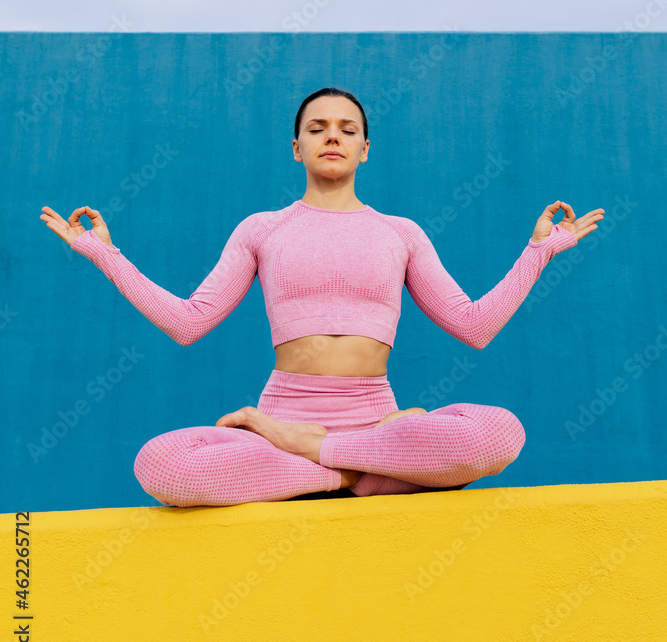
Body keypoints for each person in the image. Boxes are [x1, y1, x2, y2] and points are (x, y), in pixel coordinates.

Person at [40, 87, 604, 507]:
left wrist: (539, 253)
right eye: (316, 127)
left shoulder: (401, 233)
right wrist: (104, 255)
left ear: (364, 149)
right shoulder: (261, 229)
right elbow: (189, 321)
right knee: (163, 467)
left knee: (503, 430)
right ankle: (362, 473)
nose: (331, 135)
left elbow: (473, 325)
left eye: (345, 128)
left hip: (375, 421)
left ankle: (333, 459)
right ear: (296, 148)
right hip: (285, 424)